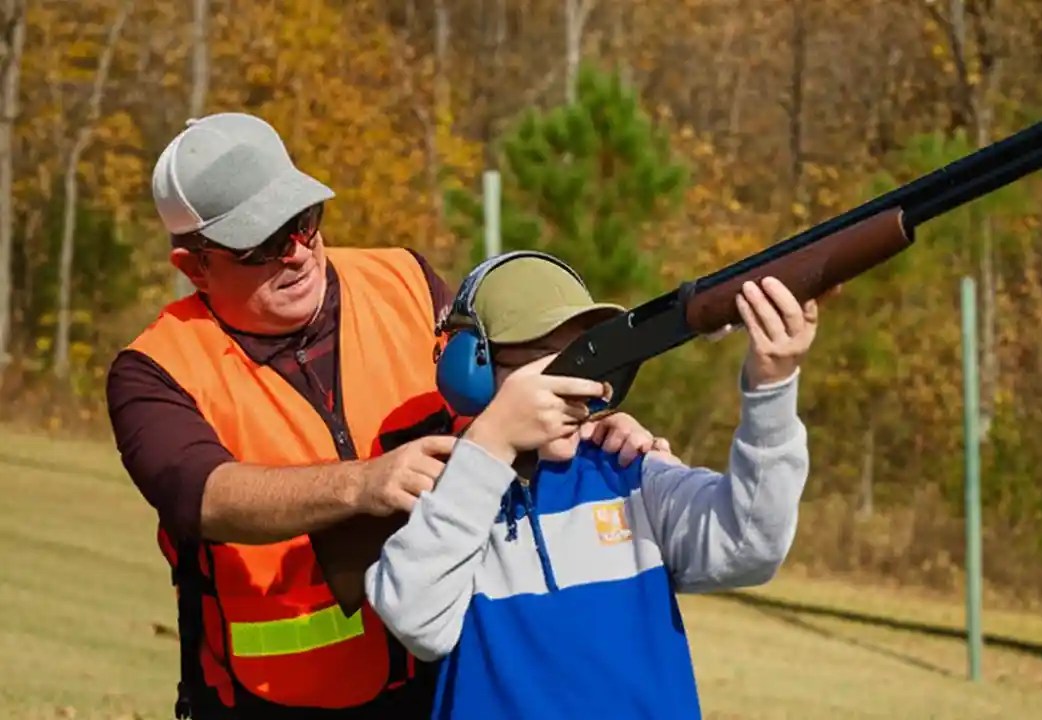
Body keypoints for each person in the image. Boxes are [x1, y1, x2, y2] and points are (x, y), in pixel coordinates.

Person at [106, 112, 670, 719]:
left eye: (303, 223)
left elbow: (506, 386)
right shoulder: (153, 369)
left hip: (448, 675)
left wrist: (589, 427)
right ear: (194, 266)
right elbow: (203, 497)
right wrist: (364, 483)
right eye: (261, 245)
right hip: (274, 699)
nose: (296, 254)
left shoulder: (405, 279)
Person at [364, 250, 816, 719]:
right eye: (546, 360)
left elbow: (749, 547)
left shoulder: (628, 470)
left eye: (584, 359)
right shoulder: (446, 492)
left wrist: (772, 386)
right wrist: (491, 444)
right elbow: (417, 621)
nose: (577, 384)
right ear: (473, 372)